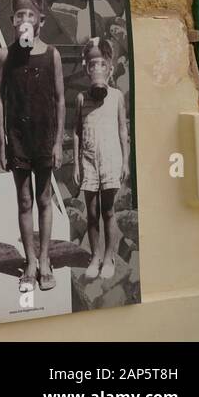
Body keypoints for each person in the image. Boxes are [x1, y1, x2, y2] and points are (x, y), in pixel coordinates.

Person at [0, 0, 66, 291]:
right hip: (18, 138)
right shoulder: (5, 55)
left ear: (41, 20)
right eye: (19, 14)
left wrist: (59, 141)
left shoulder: (52, 55)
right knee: (24, 200)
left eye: (31, 14)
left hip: (44, 137)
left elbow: (61, 100)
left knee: (44, 198)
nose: (25, 18)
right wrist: (1, 143)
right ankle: (31, 262)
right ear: (13, 20)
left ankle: (46, 259)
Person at [73, 37, 130, 281]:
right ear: (87, 68)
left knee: (108, 210)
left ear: (110, 67)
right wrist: (76, 163)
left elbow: (122, 130)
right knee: (92, 212)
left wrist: (125, 161)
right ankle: (95, 256)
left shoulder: (116, 97)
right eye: (92, 64)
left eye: (102, 64)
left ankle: (109, 257)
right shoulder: (81, 99)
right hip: (89, 162)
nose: (97, 68)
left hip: (111, 160)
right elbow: (76, 131)